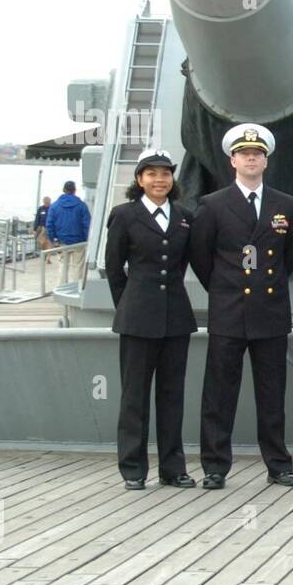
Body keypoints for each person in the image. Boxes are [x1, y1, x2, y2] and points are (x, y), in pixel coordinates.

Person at [188, 123, 293, 489]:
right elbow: (202, 258)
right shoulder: (212, 205)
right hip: (229, 312)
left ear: (266, 160)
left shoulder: (285, 204)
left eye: (258, 154)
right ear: (232, 159)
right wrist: (226, 289)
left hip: (270, 312)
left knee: (272, 395)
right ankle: (215, 467)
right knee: (219, 395)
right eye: (244, 153)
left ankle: (279, 465)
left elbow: (291, 255)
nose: (251, 158)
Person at [104, 147, 198, 490]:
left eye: (165, 173)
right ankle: (133, 469)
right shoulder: (124, 215)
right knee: (135, 397)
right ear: (139, 179)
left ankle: (173, 468)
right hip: (137, 318)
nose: (159, 179)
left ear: (173, 179)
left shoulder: (186, 216)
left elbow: (194, 262)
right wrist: (128, 306)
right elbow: (114, 269)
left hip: (176, 318)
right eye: (152, 173)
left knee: (172, 396)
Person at [46, 180, 91, 274]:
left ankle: (61, 287)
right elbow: (87, 224)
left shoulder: (54, 206)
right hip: (79, 242)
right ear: (75, 190)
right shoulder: (81, 205)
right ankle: (77, 287)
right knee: (78, 268)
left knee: (62, 267)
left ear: (64, 190)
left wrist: (54, 240)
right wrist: (87, 239)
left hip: (62, 241)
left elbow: (49, 225)